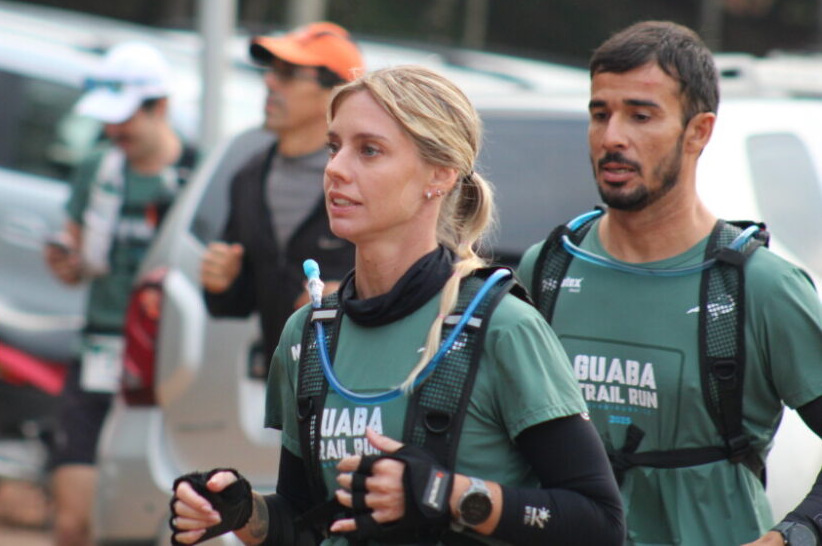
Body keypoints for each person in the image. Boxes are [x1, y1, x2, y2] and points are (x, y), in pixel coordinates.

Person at [170, 65, 625, 546]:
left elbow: (598, 522)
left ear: (440, 174)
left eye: (369, 150)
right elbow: (307, 520)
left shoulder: (502, 328)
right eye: (334, 146)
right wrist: (242, 510)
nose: (336, 169)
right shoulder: (309, 333)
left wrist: (446, 495)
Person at [517, 21, 822, 546]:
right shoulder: (547, 269)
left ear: (698, 131)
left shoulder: (761, 287)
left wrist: (793, 535)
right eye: (600, 114)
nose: (612, 136)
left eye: (641, 115)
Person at [44, 41, 193, 546]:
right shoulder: (99, 169)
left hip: (168, 363)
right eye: (107, 120)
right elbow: (75, 257)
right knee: (73, 523)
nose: (114, 131)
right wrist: (65, 257)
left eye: (125, 118)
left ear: (161, 108)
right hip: (99, 350)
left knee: (157, 522)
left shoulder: (196, 177)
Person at [201, 22, 362, 373]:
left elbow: (419, 281)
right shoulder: (248, 177)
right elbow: (239, 302)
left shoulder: (368, 180)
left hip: (359, 384)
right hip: (287, 385)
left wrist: (352, 297)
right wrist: (221, 283)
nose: (270, 82)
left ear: (336, 92)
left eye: (287, 74)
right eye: (271, 72)